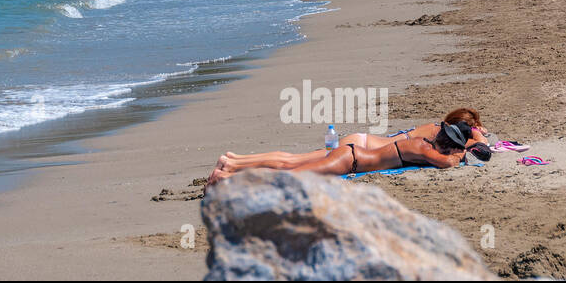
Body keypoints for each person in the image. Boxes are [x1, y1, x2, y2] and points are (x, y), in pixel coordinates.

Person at [209, 108, 488, 184]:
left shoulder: (425, 142)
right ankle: (228, 176)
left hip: (352, 153)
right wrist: (463, 154)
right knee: (292, 173)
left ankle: (231, 170)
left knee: (292, 166)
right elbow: (447, 162)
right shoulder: (424, 148)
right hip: (349, 159)